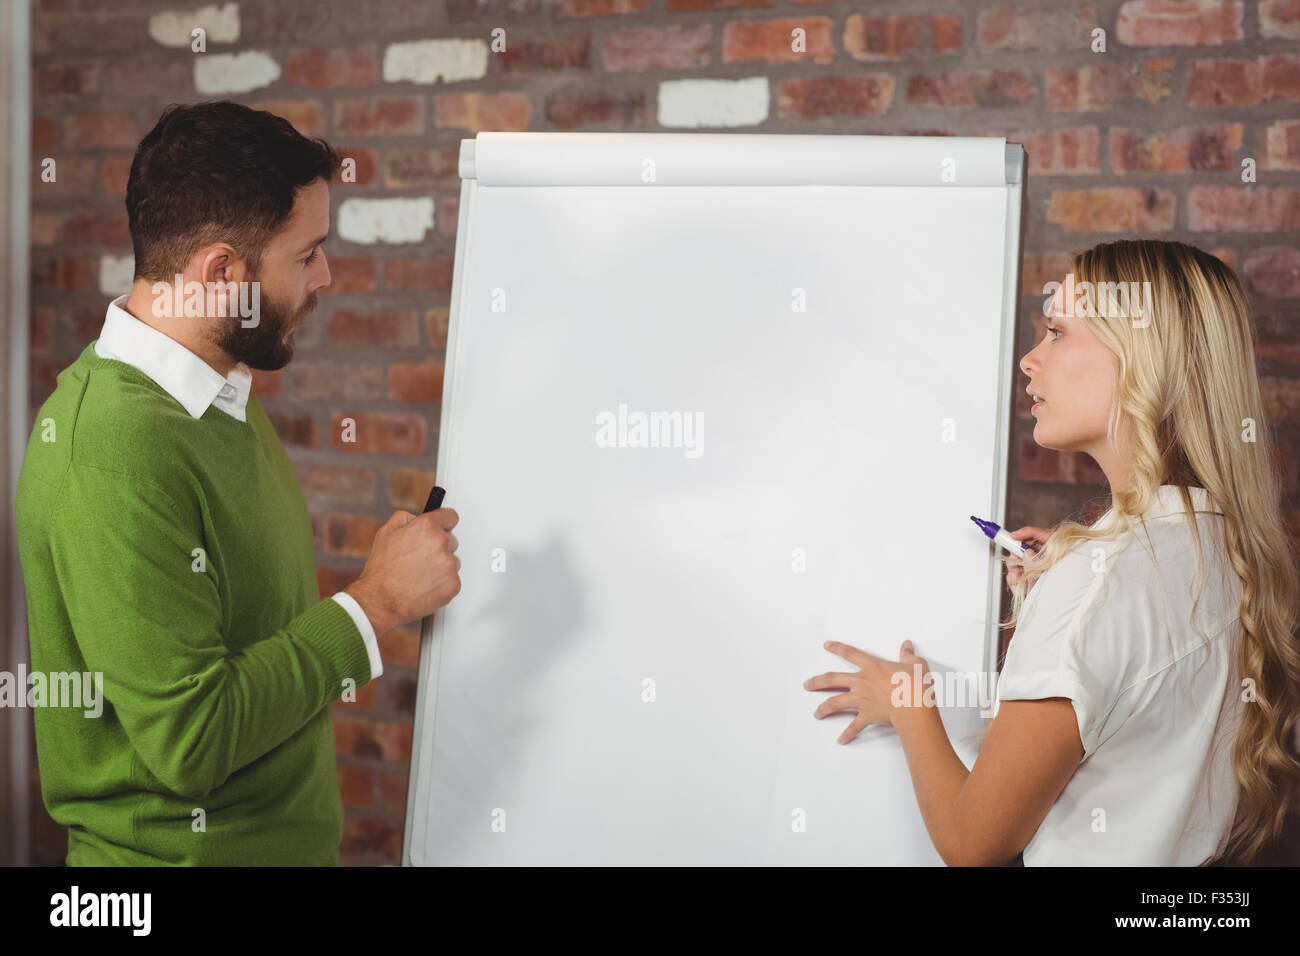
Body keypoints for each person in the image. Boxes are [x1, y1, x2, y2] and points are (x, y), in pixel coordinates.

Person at [15, 101, 460, 865]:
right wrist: (375, 603)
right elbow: (193, 738)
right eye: (307, 253)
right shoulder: (114, 449)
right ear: (220, 272)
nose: (327, 276)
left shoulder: (219, 394)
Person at [805, 239, 1298, 865]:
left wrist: (909, 705)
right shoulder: (1221, 546)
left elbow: (972, 844)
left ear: (1140, 359)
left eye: (1057, 333)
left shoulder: (1096, 586)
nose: (1029, 360)